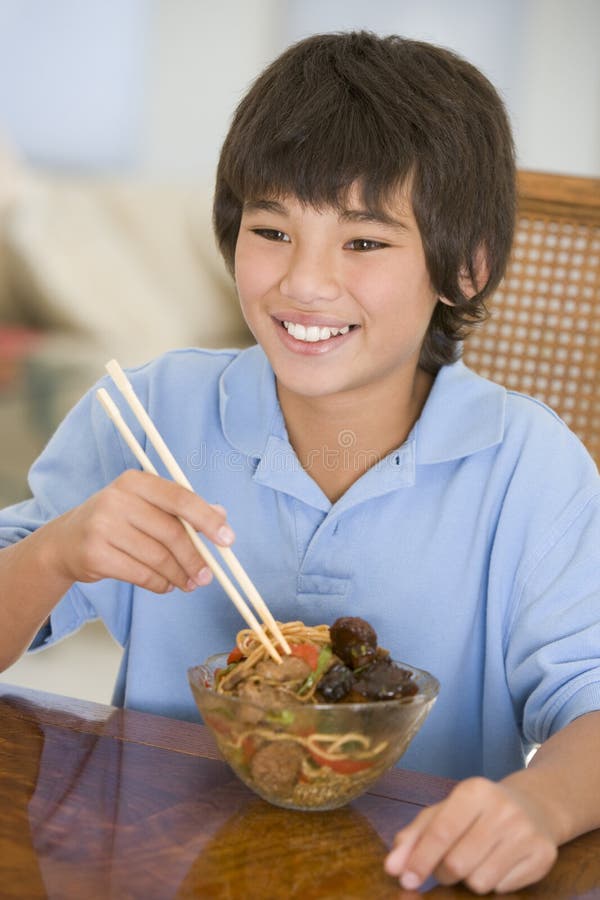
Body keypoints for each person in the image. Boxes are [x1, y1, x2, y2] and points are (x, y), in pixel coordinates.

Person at [0, 31, 598, 893]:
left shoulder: (529, 468)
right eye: (271, 229)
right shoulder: (149, 417)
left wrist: (542, 804)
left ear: (465, 267)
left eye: (363, 243)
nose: (304, 283)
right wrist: (55, 552)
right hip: (164, 861)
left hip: (414, 875)